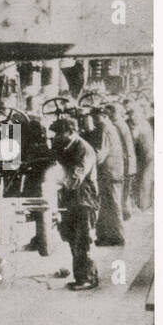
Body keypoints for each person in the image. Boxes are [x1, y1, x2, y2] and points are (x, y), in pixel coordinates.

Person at [51, 116, 100, 291]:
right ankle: (82, 277)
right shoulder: (68, 146)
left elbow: (76, 176)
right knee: (73, 238)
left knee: (83, 239)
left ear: (71, 131)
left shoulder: (83, 149)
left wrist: (54, 182)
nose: (56, 136)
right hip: (71, 198)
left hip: (83, 198)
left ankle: (88, 279)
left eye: (59, 133)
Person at [81, 105, 125, 247]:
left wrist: (85, 163)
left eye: (96, 117)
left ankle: (118, 237)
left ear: (105, 116)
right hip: (111, 172)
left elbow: (100, 154)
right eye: (92, 117)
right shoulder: (107, 128)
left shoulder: (104, 129)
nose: (93, 119)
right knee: (107, 205)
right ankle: (106, 237)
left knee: (112, 205)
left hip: (109, 173)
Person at [128, 101, 154, 210]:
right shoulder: (143, 123)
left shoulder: (141, 125)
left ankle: (143, 205)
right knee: (142, 181)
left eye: (133, 115)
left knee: (144, 181)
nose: (132, 117)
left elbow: (134, 140)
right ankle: (142, 204)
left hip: (146, 157)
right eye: (130, 115)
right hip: (143, 156)